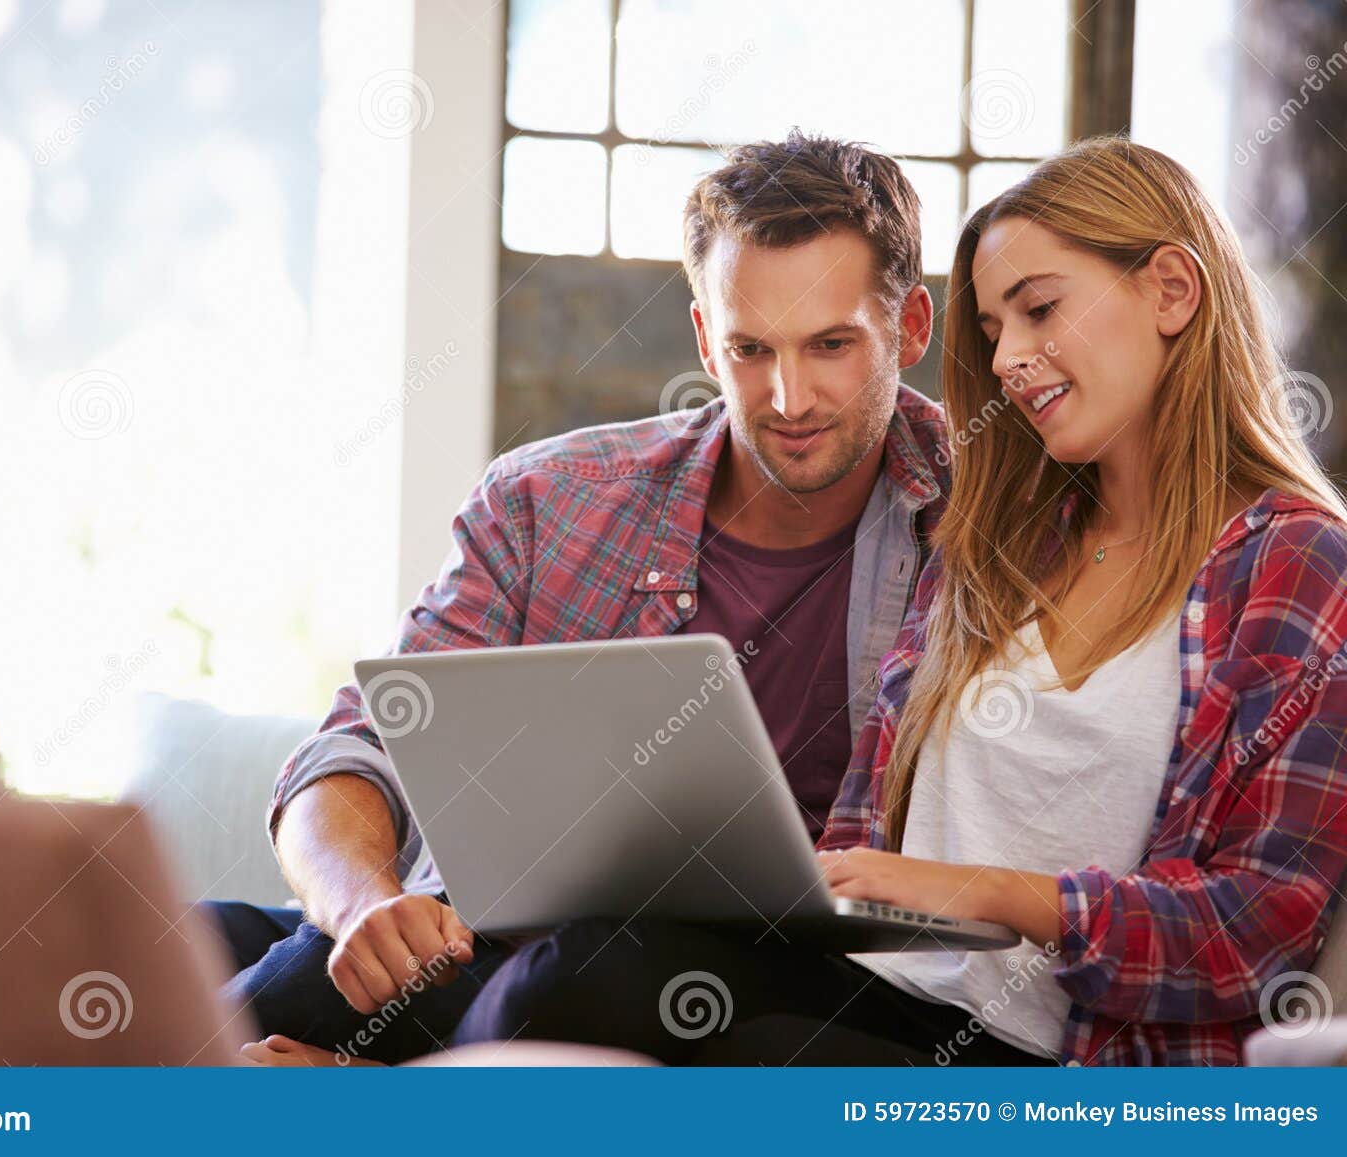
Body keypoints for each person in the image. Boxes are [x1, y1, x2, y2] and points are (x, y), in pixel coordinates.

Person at [447, 137, 1347, 1067]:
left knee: (705, 1043)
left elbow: (1256, 928)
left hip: (1057, 1059)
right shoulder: (996, 538)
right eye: (994, 330)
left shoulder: (1295, 563)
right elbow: (863, 832)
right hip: (881, 991)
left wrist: (978, 891)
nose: (1008, 361)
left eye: (1039, 310)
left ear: (1171, 290)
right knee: (578, 973)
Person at [210, 131, 948, 1065]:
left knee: (580, 971)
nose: (788, 396)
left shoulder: (981, 519)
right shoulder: (547, 499)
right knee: (243, 966)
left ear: (912, 326)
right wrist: (363, 902)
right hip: (485, 935)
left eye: (832, 345)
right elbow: (363, 740)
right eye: (749, 348)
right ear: (703, 342)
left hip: (743, 975)